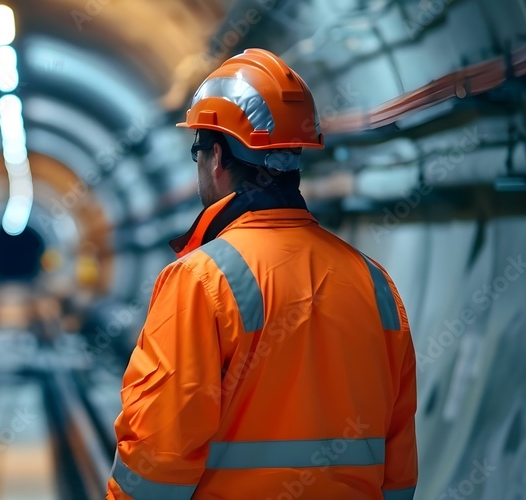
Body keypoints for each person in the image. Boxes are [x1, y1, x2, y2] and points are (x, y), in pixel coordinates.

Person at [107, 49, 418, 499]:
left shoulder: (200, 281)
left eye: (198, 152)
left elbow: (158, 460)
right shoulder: (375, 283)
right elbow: (399, 467)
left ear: (216, 156)